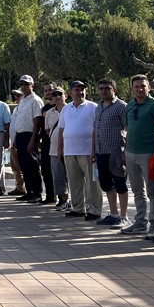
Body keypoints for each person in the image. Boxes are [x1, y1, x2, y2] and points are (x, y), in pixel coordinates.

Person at [123, 75, 154, 237]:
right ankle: (140, 222)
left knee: (153, 193)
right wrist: (125, 151)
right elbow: (128, 130)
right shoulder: (130, 105)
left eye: (143, 86)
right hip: (130, 153)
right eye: (136, 87)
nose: (140, 89)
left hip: (149, 154)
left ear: (149, 88)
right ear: (132, 89)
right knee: (137, 191)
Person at [58, 81, 100, 221]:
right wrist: (60, 148)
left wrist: (95, 149)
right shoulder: (66, 109)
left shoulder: (93, 107)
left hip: (88, 151)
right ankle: (78, 208)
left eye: (82, 90)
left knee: (92, 182)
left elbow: (97, 129)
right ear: (71, 92)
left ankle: (94, 210)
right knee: (74, 182)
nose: (80, 92)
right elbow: (61, 129)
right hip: (70, 151)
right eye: (77, 90)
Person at [92, 79, 128, 226]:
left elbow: (128, 128)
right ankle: (113, 214)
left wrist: (125, 151)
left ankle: (124, 217)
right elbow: (95, 128)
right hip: (101, 152)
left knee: (120, 184)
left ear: (114, 89)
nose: (104, 91)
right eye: (101, 88)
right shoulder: (98, 107)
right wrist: (93, 149)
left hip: (116, 152)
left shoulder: (121, 107)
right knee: (106, 184)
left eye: (107, 88)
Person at [12, 75, 44, 203]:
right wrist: (15, 139)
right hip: (20, 136)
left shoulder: (35, 100)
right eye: (22, 84)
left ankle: (37, 192)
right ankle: (29, 191)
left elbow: (37, 121)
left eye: (26, 84)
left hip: (29, 135)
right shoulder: (23, 100)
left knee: (32, 165)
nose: (23, 87)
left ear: (32, 85)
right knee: (24, 165)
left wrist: (33, 140)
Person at [44, 87, 69, 210]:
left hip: (70, 149)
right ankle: (63, 200)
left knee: (72, 177)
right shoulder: (49, 113)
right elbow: (48, 130)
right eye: (54, 94)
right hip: (54, 150)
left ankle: (75, 201)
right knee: (58, 176)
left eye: (60, 94)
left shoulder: (70, 110)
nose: (57, 96)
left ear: (66, 95)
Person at [35, 82, 59, 204]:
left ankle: (61, 198)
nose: (48, 93)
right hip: (45, 144)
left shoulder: (62, 107)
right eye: (46, 91)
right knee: (45, 170)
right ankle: (50, 196)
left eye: (50, 90)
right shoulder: (44, 108)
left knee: (58, 172)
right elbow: (42, 127)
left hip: (57, 144)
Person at [7, 89, 26, 196]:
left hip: (21, 143)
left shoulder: (25, 109)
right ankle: (19, 187)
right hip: (13, 143)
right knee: (15, 168)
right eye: (16, 96)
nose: (17, 98)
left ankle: (27, 189)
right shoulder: (16, 110)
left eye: (19, 95)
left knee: (23, 167)